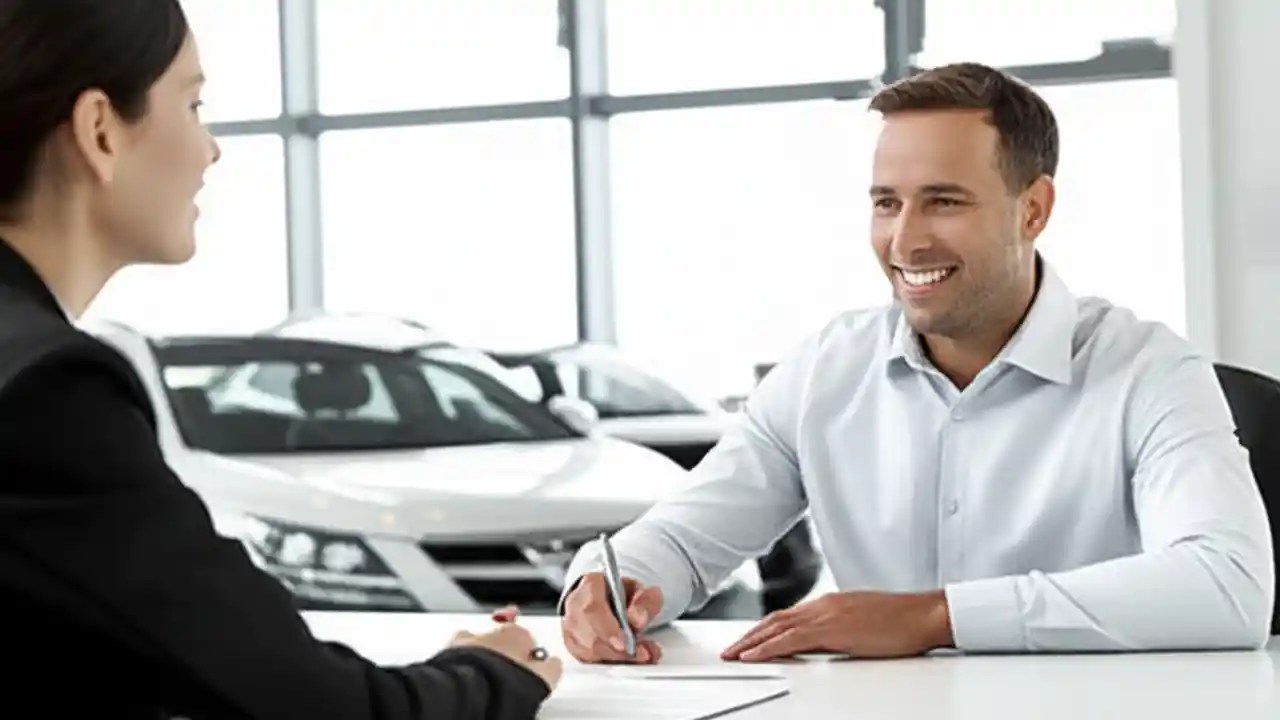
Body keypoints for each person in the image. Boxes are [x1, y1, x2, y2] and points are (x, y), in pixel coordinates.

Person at [560, 62, 1275, 664]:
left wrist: (937, 617)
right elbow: (685, 540)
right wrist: (610, 582)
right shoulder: (825, 372)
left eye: (943, 202)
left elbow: (1228, 588)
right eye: (886, 203)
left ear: (1033, 210)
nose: (906, 240)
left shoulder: (1149, 370)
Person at [0, 2, 560, 718]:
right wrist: (493, 673)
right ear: (100, 130)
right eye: (193, 103)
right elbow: (311, 705)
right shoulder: (48, 397)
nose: (212, 149)